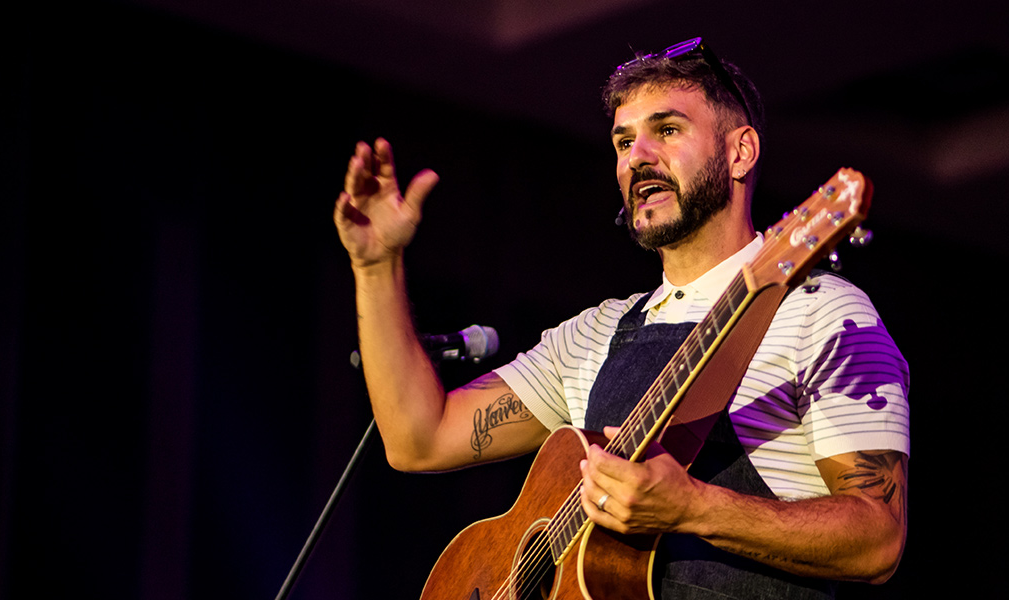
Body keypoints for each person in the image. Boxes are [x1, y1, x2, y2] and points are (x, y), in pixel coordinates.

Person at [333, 38, 910, 598]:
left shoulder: (821, 311)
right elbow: (418, 438)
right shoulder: (594, 333)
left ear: (741, 151)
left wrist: (695, 507)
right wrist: (377, 266)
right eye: (623, 141)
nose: (638, 157)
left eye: (667, 130)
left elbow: (879, 541)